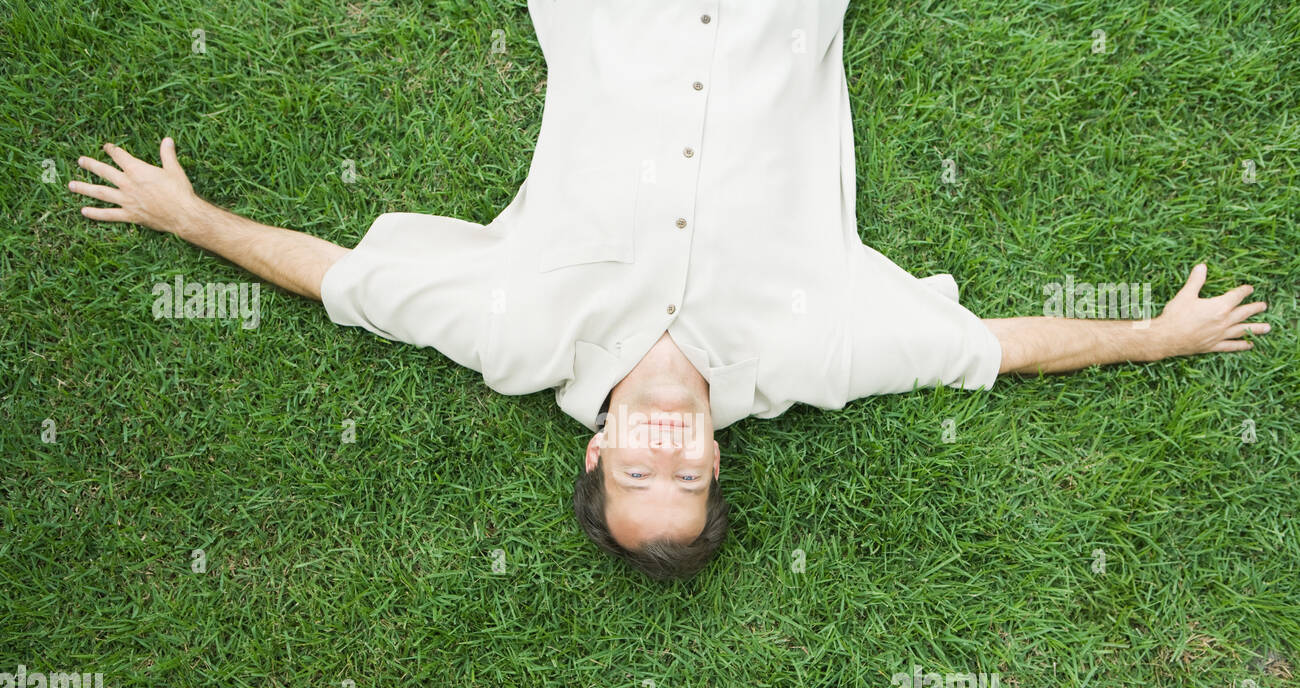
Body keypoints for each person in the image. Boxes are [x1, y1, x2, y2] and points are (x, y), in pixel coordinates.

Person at [68, 1, 1270, 582]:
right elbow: (993, 349)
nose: (663, 452)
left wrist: (193, 220)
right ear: (712, 463)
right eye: (685, 476)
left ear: (593, 454)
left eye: (636, 474)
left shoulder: (513, 332)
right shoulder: (815, 358)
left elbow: (340, 279)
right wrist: (1156, 339)